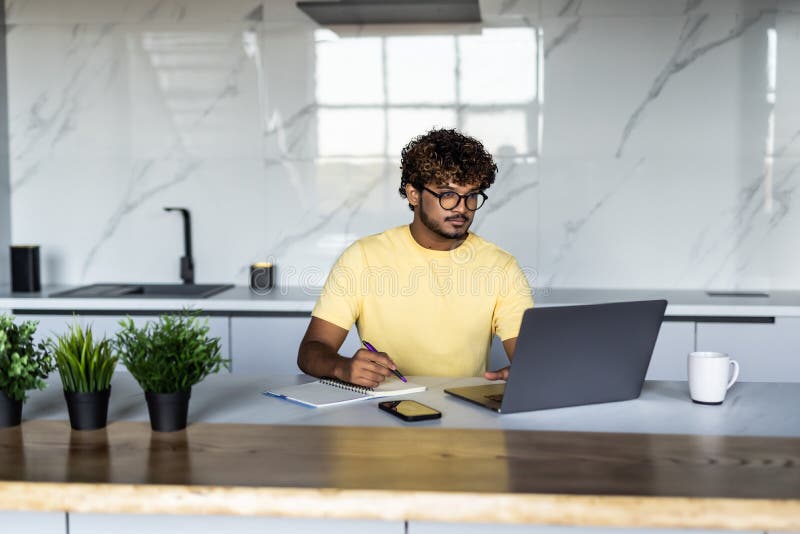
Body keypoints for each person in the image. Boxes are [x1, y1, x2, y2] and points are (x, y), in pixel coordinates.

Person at [297, 128, 533, 387]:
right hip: (383, 410)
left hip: (466, 413)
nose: (462, 208)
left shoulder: (501, 266)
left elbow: (530, 359)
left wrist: (529, 372)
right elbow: (311, 350)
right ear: (414, 194)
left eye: (472, 196)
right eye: (448, 195)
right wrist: (342, 367)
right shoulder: (363, 257)